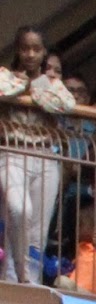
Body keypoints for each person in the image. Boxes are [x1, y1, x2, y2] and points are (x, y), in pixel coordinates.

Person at [0, 24, 76, 285]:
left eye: (36, 49)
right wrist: (28, 88)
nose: (30, 54)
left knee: (38, 229)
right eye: (25, 48)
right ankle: (15, 274)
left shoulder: (51, 82)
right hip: (11, 152)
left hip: (45, 157)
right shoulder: (7, 75)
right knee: (18, 209)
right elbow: (2, 89)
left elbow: (66, 104)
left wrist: (29, 91)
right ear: (18, 51)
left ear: (44, 53)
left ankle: (29, 281)